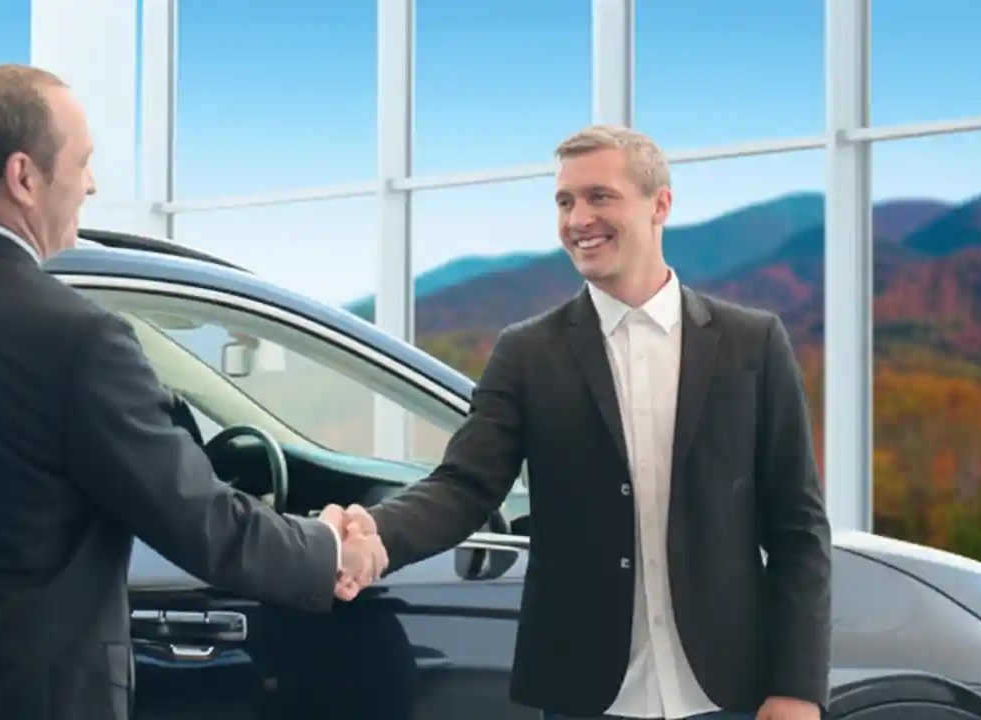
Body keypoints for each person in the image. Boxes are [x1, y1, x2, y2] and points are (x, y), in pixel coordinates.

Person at [0, 63, 387, 720]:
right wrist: (331, 548)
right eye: (83, 162)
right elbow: (202, 522)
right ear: (24, 177)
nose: (93, 184)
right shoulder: (75, 340)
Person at [332, 125, 832, 720]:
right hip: (585, 693)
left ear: (660, 205)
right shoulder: (526, 352)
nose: (577, 219)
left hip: (726, 691)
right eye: (565, 202)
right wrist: (376, 538)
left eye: (600, 197)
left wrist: (798, 688)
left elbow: (798, 529)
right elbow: (463, 487)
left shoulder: (754, 344)